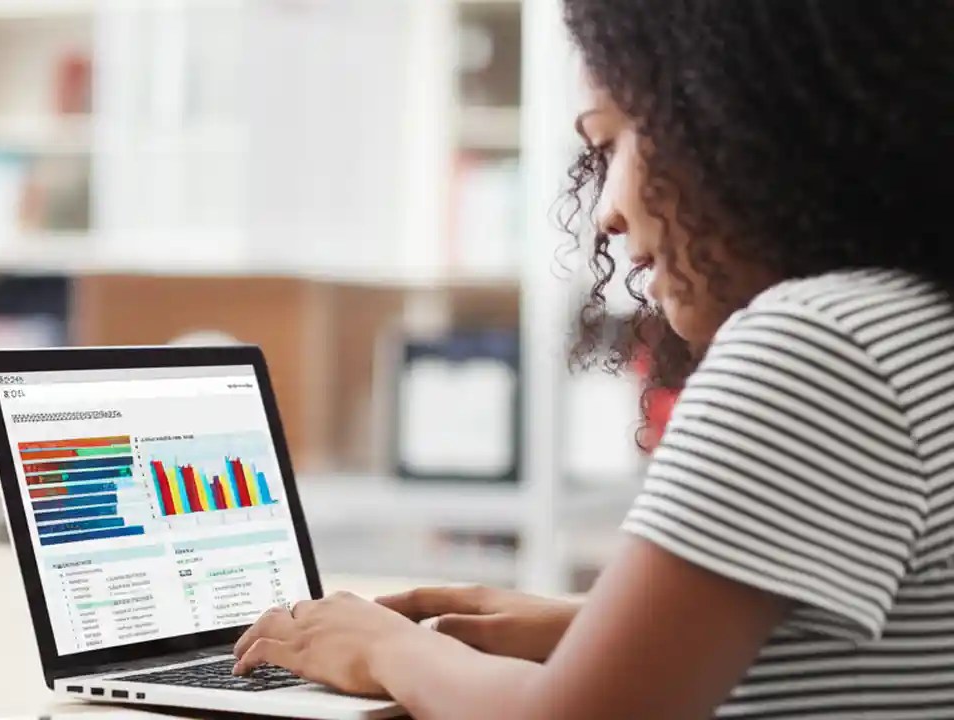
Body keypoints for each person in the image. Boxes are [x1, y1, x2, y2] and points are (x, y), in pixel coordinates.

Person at [232, 1, 954, 717]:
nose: (605, 209)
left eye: (611, 145)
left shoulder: (817, 345)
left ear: (737, 125)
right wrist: (588, 625)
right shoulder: (906, 324)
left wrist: (385, 649)